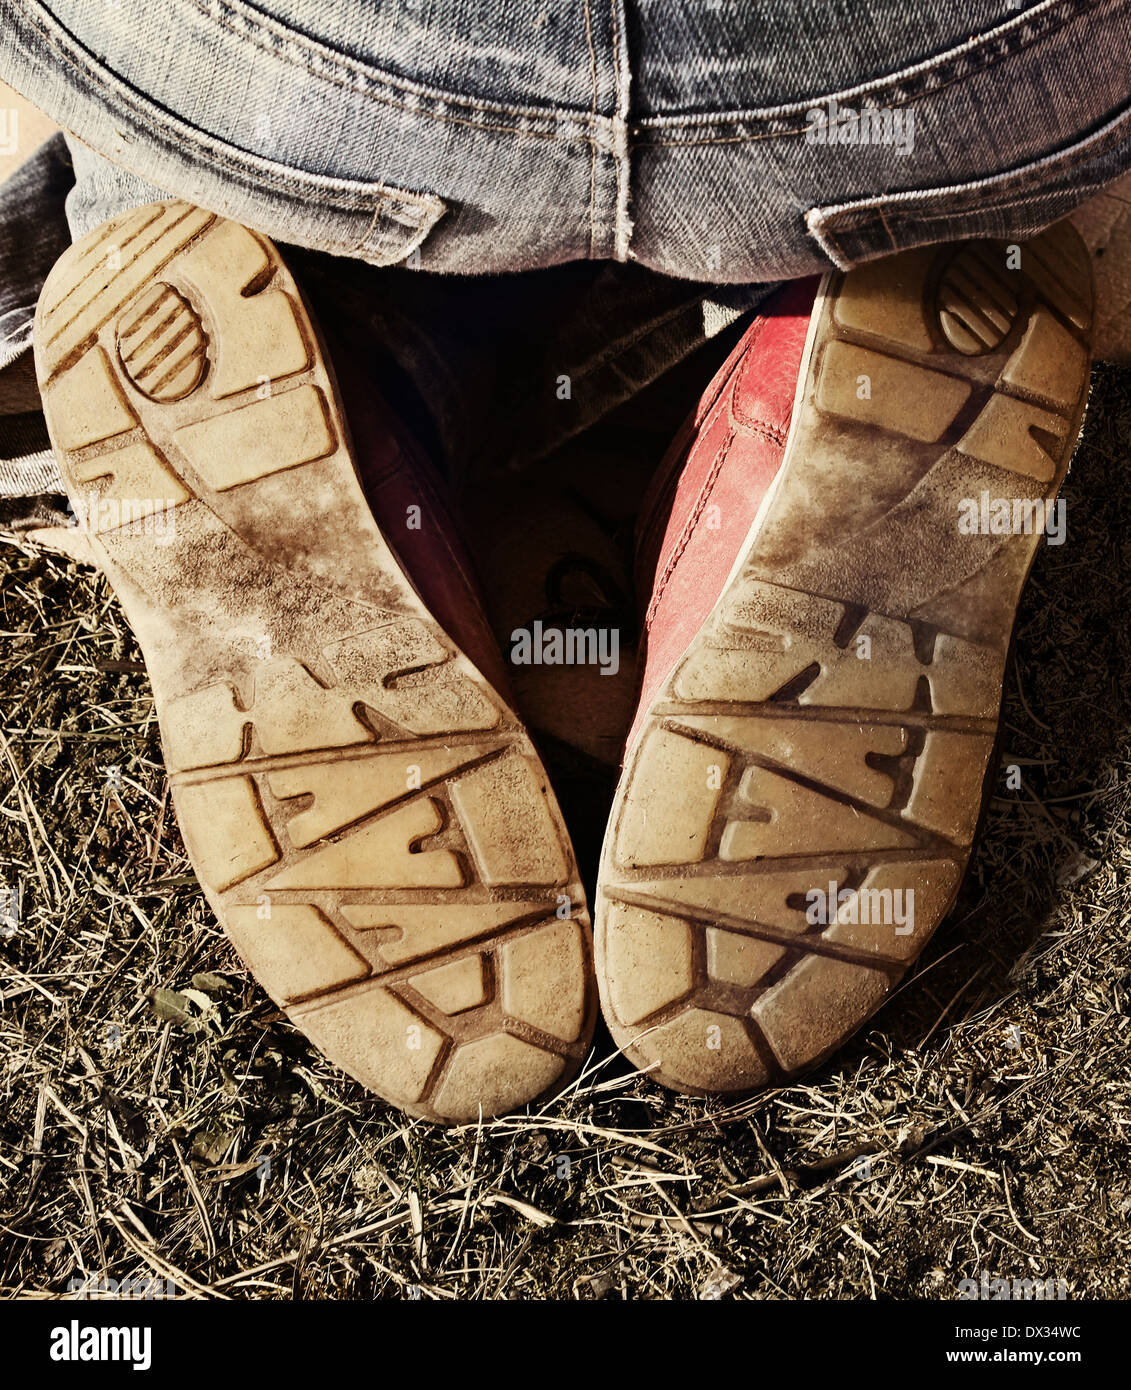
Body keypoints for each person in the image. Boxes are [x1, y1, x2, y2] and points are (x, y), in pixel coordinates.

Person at [2, 0, 1129, 1120]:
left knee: (190, 157)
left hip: (312, 91)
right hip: (935, 90)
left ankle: (354, 402)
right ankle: (773, 439)